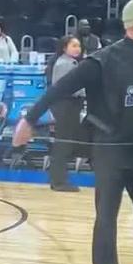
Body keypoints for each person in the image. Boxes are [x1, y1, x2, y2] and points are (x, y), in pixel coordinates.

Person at [13, 0, 133, 264]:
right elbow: (57, 90)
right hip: (111, 151)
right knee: (106, 219)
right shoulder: (102, 61)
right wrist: (29, 120)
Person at [43, 36, 85, 193]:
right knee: (63, 143)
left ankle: (59, 179)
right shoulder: (64, 64)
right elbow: (64, 87)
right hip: (66, 105)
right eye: (74, 45)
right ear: (64, 48)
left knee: (66, 143)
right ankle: (59, 181)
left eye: (78, 45)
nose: (77, 49)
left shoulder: (70, 62)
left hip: (70, 105)